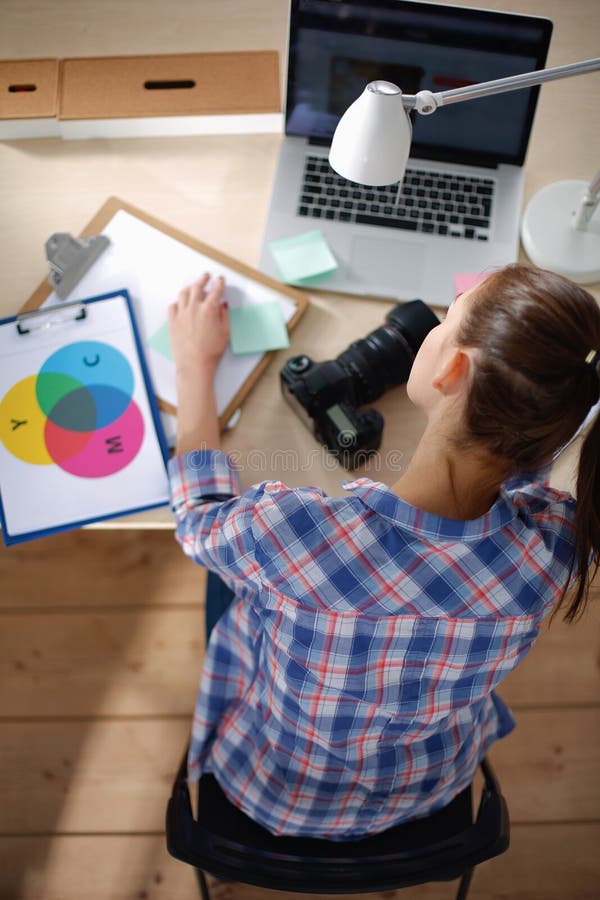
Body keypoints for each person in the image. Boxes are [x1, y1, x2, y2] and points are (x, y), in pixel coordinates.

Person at [166, 264, 600, 841]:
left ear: (452, 370)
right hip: (430, 784)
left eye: (447, 320)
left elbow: (198, 519)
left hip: (272, 788)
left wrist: (194, 365)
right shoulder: (559, 544)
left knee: (231, 579)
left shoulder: (292, 532)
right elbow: (523, 478)